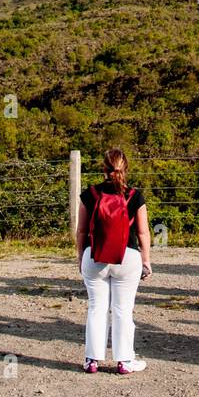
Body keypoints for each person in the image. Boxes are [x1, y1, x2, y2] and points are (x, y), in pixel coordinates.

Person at [75, 149, 151, 375]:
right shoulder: (135, 196)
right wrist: (146, 260)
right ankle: (125, 361)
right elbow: (143, 232)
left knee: (96, 307)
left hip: (94, 256)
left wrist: (81, 257)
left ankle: (91, 360)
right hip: (127, 257)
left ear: (104, 169)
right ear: (125, 168)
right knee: (122, 309)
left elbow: (81, 231)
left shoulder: (89, 194)